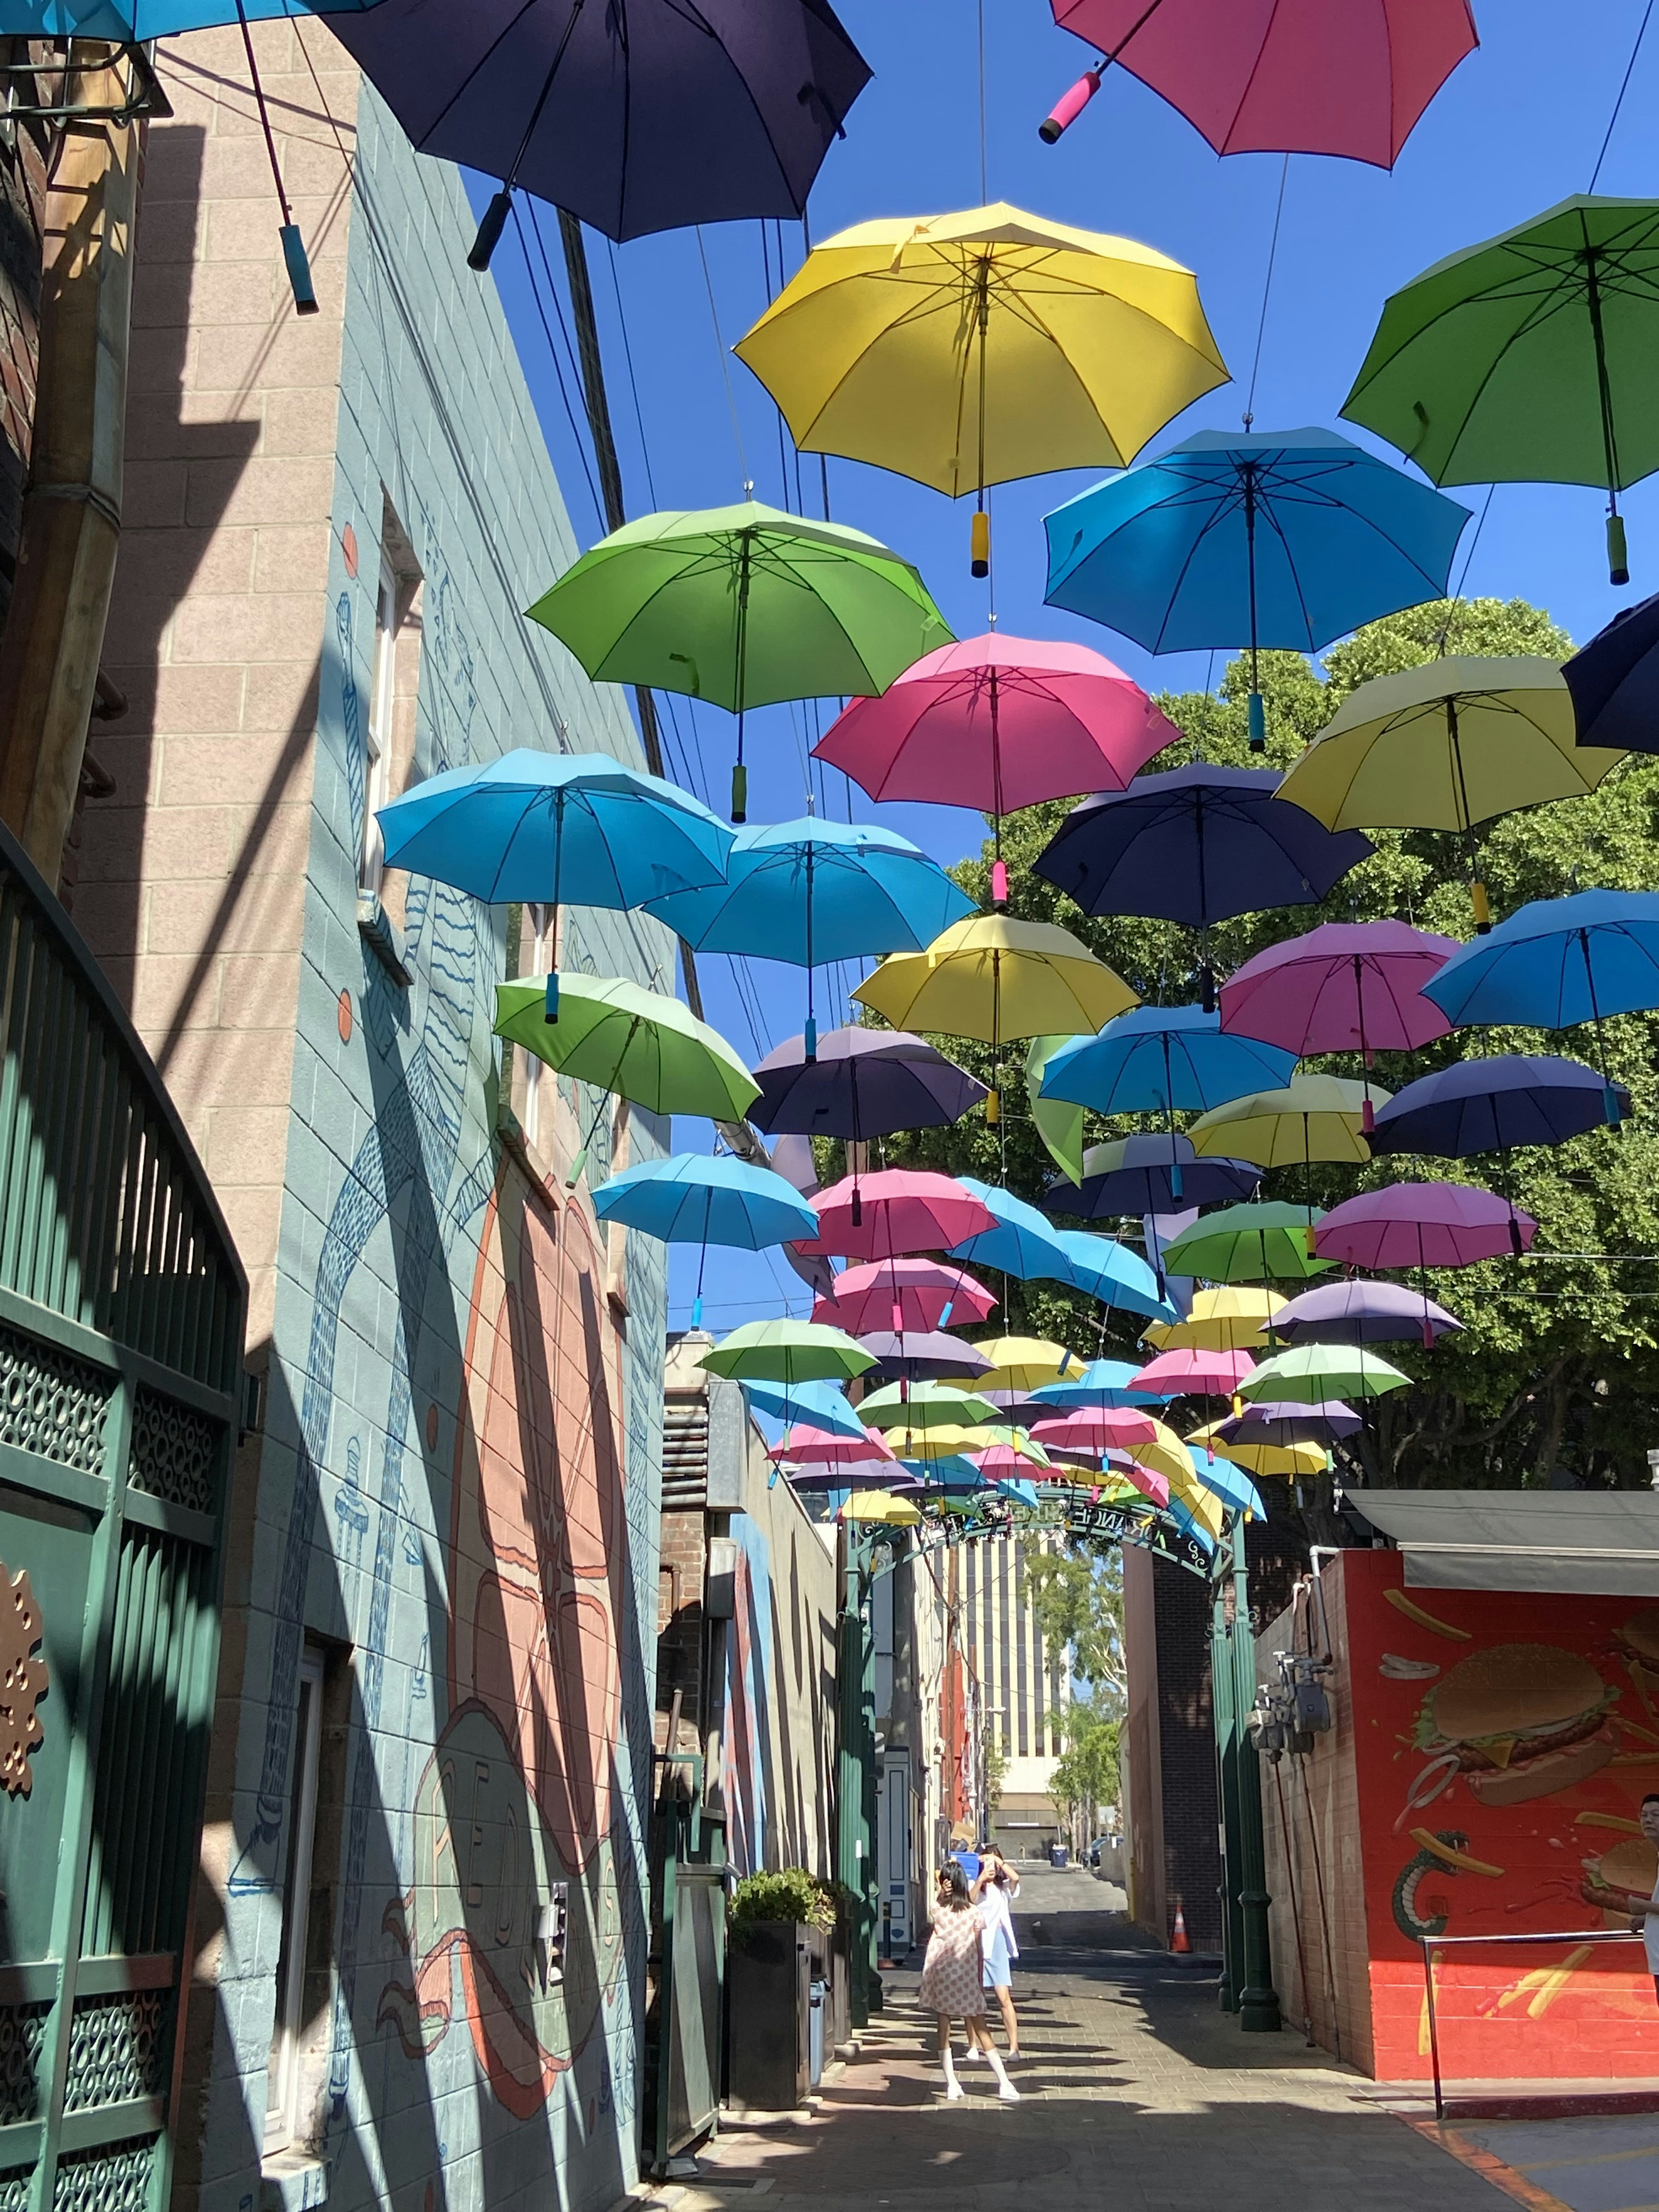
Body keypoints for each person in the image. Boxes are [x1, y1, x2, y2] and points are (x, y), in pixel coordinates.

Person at [916, 1863, 1019, 2102]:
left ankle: (951, 2083)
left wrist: (942, 1891)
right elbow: (978, 1947)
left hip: (941, 1975)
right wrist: (979, 1975)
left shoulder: (938, 1910)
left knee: (944, 2026)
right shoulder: (974, 1914)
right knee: (981, 2027)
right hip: (966, 1976)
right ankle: (1003, 2082)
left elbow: (936, 1904)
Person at [972, 1849, 1022, 2058]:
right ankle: (974, 2045)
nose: (991, 1868)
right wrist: (981, 1876)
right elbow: (969, 1900)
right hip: (978, 1942)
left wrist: (999, 1861)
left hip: (998, 1941)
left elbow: (1016, 1878)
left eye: (994, 1864)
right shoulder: (976, 1886)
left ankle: (1014, 2047)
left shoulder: (1003, 1889)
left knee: (1004, 1997)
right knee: (975, 1997)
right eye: (987, 1863)